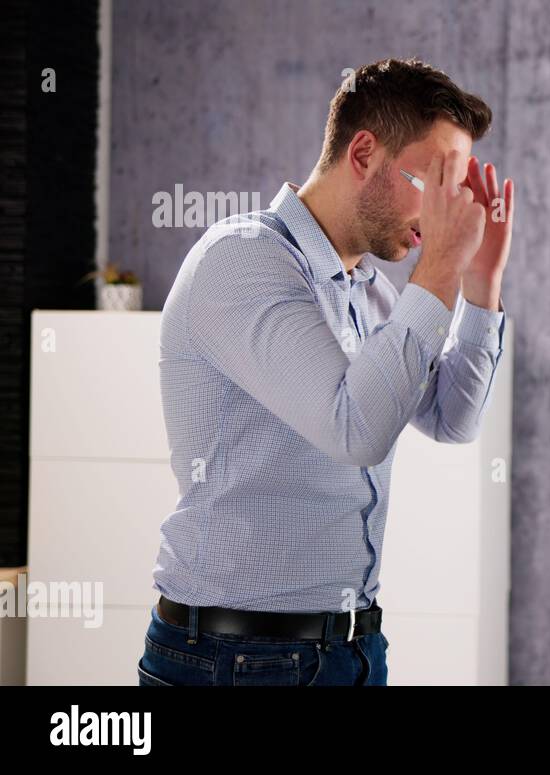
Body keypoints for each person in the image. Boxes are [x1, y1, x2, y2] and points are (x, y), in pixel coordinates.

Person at [139, 58, 515, 686]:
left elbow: (454, 420)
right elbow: (356, 432)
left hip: (352, 650)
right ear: (364, 152)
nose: (446, 210)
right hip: (235, 660)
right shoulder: (243, 262)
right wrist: (442, 266)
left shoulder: (368, 292)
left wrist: (481, 282)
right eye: (436, 181)